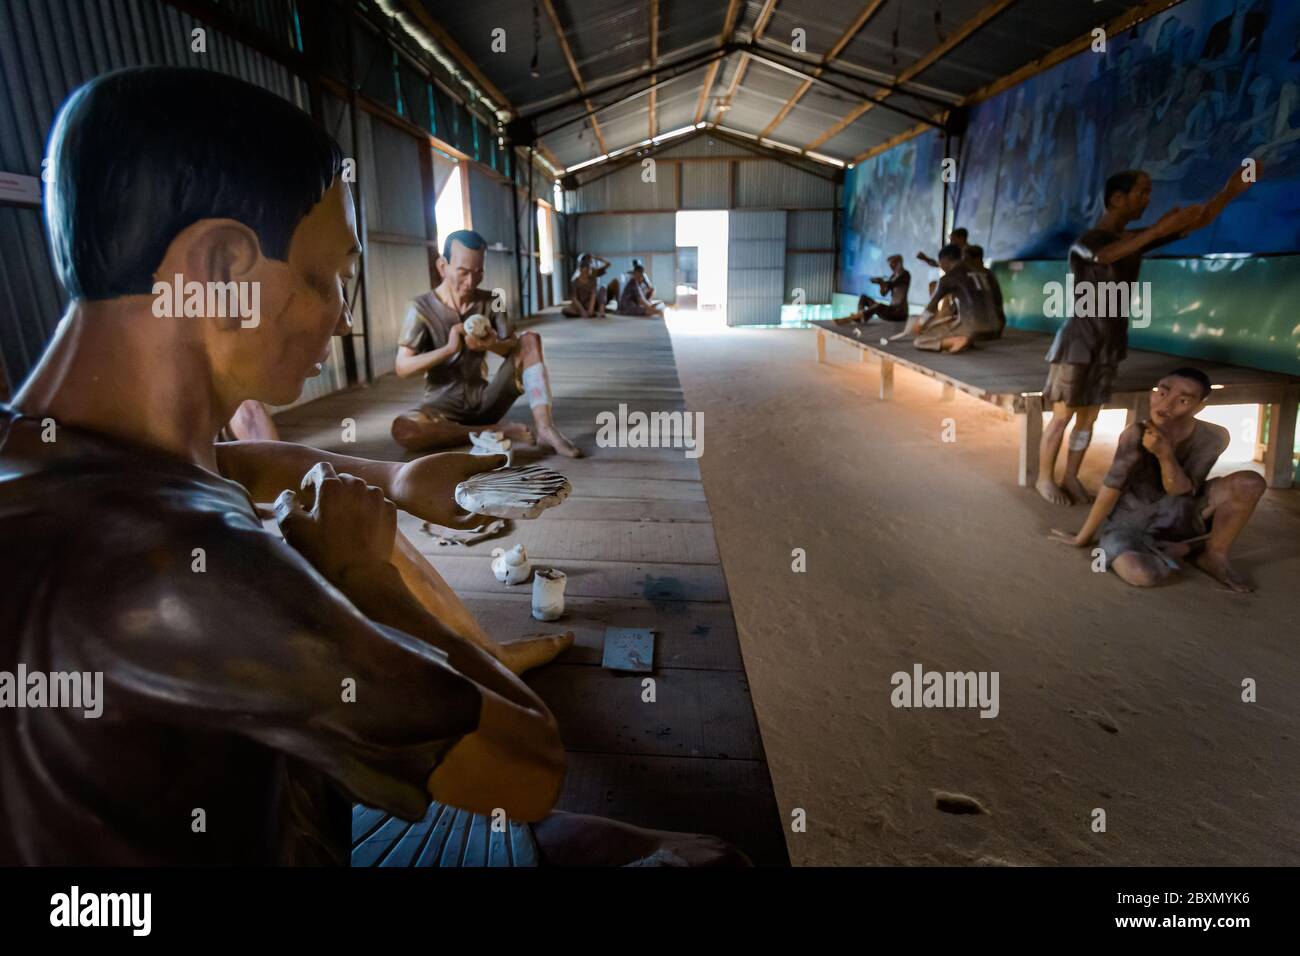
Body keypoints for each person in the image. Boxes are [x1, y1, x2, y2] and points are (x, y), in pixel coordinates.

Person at [0, 66, 737, 867]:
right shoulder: (187, 575)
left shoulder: (45, 452)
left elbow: (224, 465)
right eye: (331, 277)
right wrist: (362, 579)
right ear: (221, 267)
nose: (342, 313)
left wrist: (391, 481)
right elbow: (530, 770)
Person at [1035, 166, 1256, 506]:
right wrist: (1156, 230)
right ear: (1117, 198)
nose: (1147, 199)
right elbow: (1107, 255)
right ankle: (1044, 478)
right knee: (1062, 415)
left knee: (1088, 418)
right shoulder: (1089, 241)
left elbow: (1194, 221)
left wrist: (1228, 191)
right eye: (1141, 193)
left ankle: (1070, 476)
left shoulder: (1136, 238)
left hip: (1109, 344)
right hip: (1077, 344)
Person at [1049, 368, 1266, 593]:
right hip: (1134, 521)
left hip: (1185, 512)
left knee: (1250, 483)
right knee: (1142, 574)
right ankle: (1188, 549)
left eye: (1182, 400)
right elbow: (1110, 489)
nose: (1166, 406)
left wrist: (1165, 455)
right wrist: (1083, 538)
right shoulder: (1134, 435)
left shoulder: (1215, 436)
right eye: (1162, 393)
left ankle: (1214, 554)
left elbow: (1182, 490)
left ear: (1199, 407)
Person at [390, 229, 580, 457]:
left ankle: (546, 428)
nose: (471, 282)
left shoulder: (494, 300)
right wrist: (449, 349)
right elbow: (402, 367)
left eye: (478, 272)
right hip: (440, 409)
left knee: (530, 340)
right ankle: (493, 430)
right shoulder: (419, 308)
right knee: (404, 429)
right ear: (442, 266)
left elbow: (515, 347)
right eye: (463, 272)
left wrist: (490, 344)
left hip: (486, 400)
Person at [887, 244, 1001, 352]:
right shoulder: (981, 272)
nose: (940, 266)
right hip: (995, 329)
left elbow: (932, 306)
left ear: (944, 260)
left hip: (973, 329)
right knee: (945, 322)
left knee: (920, 340)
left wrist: (920, 323)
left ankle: (958, 339)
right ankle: (965, 339)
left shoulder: (949, 278)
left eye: (940, 262)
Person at [834, 254, 910, 325]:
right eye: (890, 265)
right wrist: (880, 284)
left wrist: (881, 281)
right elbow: (883, 293)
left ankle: (855, 317)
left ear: (899, 263)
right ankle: (859, 316)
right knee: (864, 298)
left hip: (899, 314)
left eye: (893, 265)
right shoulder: (893, 276)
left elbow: (892, 283)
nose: (891, 267)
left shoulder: (905, 275)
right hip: (891, 310)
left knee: (879, 306)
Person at [963, 244, 1005, 336]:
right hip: (996, 325)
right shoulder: (987, 273)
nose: (964, 262)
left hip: (988, 326)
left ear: (977, 259)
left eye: (966, 259)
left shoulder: (979, 275)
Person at [563, 253, 609, 318]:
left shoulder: (593, 276)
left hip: (591, 302)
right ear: (580, 270)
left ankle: (598, 310)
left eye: (587, 271)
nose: (586, 274)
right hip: (581, 303)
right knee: (565, 310)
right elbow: (574, 298)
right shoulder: (575, 280)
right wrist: (582, 310)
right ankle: (583, 313)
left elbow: (593, 294)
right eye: (584, 272)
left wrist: (591, 308)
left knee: (603, 288)